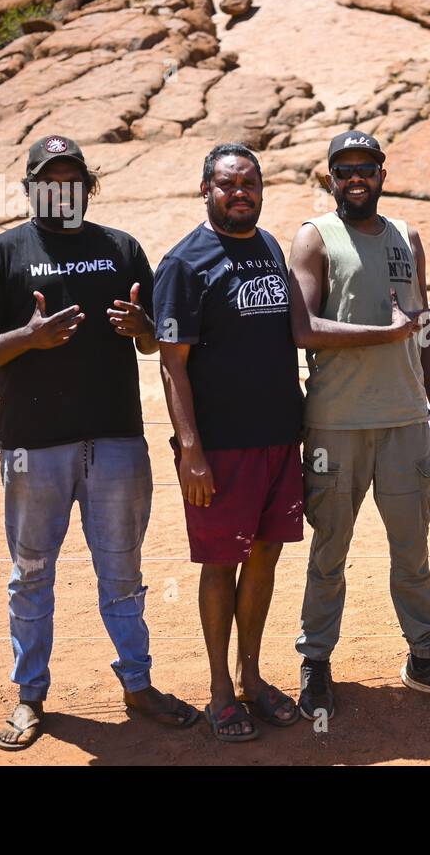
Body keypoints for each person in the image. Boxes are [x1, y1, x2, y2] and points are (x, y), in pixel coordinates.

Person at [0, 134, 197, 751]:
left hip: (115, 440)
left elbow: (156, 339)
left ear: (87, 186)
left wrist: (144, 327)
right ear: (31, 187)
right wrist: (28, 339)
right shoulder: (2, 253)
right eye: (48, 178)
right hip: (32, 447)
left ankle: (138, 686)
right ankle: (30, 696)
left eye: (72, 178)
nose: (60, 187)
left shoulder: (121, 248)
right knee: (31, 574)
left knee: (122, 571)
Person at [287, 130, 430, 720]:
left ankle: (425, 657)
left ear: (382, 173)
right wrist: (383, 334)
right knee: (329, 551)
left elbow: (423, 331)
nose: (356, 178)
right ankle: (316, 662)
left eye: (366, 168)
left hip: (405, 420)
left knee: (413, 549)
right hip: (336, 423)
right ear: (329, 178)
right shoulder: (314, 238)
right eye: (344, 169)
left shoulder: (407, 237)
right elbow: (302, 329)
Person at [155, 143, 305, 742]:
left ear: (261, 190)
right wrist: (191, 449)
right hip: (219, 450)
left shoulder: (269, 247)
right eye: (226, 184)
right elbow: (171, 364)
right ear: (205, 190)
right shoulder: (184, 264)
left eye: (248, 183)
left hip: (278, 438)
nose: (238, 192)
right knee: (221, 564)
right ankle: (220, 690)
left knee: (266, 555)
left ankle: (252, 676)